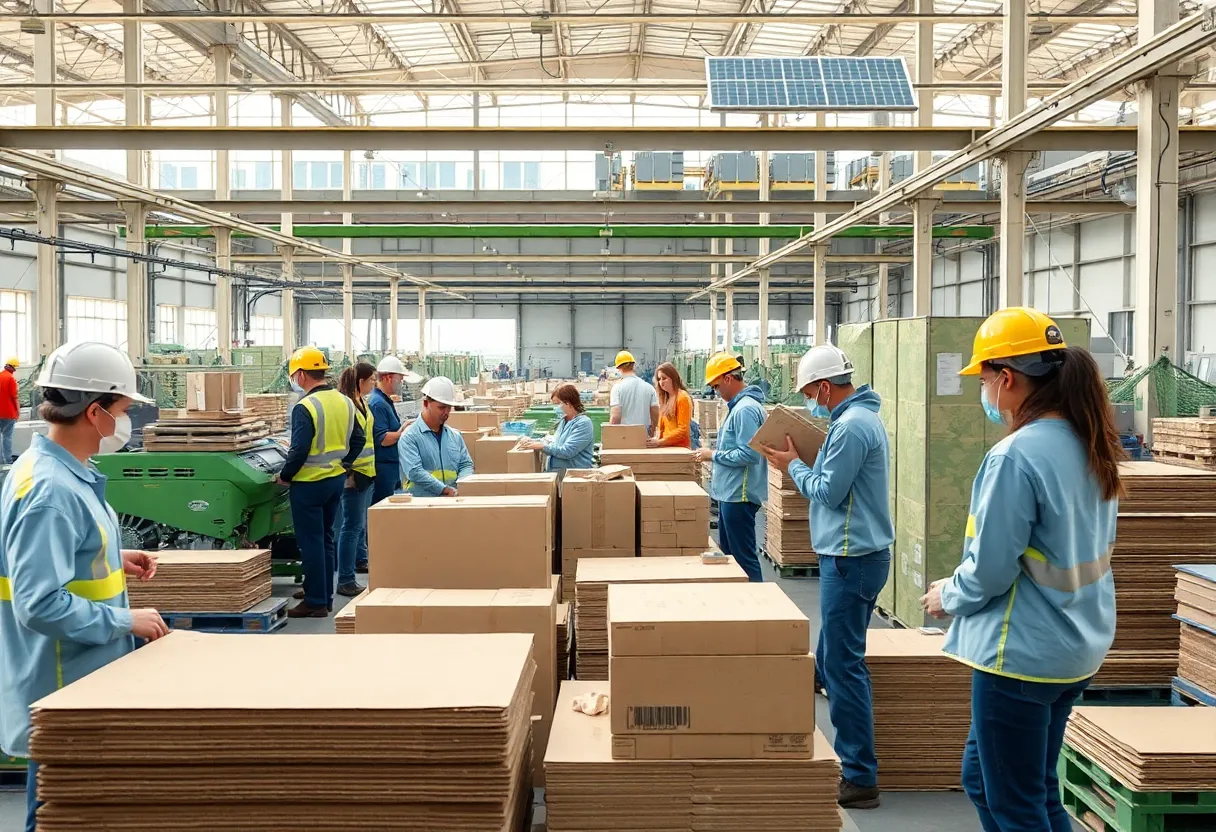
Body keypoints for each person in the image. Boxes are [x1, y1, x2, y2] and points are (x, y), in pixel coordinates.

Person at [919, 308, 1120, 832]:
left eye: (984, 380)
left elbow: (990, 570)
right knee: (1004, 785)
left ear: (1007, 379)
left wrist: (948, 595)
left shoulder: (1015, 456)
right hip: (1075, 642)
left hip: (1022, 655)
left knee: (1016, 804)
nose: (983, 393)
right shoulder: (1090, 443)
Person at [0, 341, 168, 832]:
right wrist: (124, 620)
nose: (127, 422)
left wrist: (111, 555)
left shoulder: (50, 472)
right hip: (61, 681)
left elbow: (42, 555)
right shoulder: (52, 492)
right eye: (122, 410)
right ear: (95, 413)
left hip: (79, 675)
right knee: (56, 813)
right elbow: (38, 602)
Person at [760, 344, 894, 810]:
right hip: (853, 554)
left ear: (822, 387)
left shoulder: (852, 428)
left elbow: (827, 492)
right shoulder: (858, 421)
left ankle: (859, 777)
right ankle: (817, 687)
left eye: (810, 393)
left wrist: (791, 464)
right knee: (835, 654)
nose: (811, 401)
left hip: (850, 556)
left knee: (844, 663)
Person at [278, 347, 363, 619]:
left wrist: (285, 475)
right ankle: (324, 597)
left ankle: (315, 601)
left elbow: (299, 449)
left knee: (311, 542)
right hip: (335, 481)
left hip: (308, 484)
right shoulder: (345, 401)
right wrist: (344, 463)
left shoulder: (306, 407)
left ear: (301, 375)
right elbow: (359, 439)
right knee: (325, 539)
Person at [694, 353, 766, 582]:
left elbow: (749, 454)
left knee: (742, 559)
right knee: (730, 557)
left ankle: (761, 608)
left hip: (739, 495)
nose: (716, 392)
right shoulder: (739, 407)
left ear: (728, 379)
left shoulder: (745, 410)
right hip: (730, 493)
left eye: (716, 386)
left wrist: (712, 455)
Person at [334, 362, 377, 598]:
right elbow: (345, 441)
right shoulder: (347, 406)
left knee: (359, 525)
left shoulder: (363, 403)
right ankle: (345, 579)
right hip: (354, 475)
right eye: (371, 380)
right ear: (360, 381)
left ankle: (360, 559)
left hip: (367, 472)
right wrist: (347, 472)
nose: (374, 384)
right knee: (350, 527)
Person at [398, 376, 474, 497]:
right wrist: (444, 490)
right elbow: (414, 472)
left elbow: (466, 464)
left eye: (449, 407)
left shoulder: (455, 436)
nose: (446, 412)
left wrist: (463, 485)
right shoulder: (409, 437)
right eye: (442, 407)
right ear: (426, 403)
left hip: (453, 502)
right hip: (421, 505)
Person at [520, 383, 594, 477]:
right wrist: (533, 441)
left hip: (574, 477)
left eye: (558, 403)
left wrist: (542, 447)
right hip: (558, 475)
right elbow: (555, 443)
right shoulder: (564, 421)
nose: (556, 408)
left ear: (568, 402)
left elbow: (568, 451)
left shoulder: (583, 423)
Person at [367, 356, 412, 506]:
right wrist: (404, 432)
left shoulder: (385, 401)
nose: (401, 383)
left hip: (391, 467)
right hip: (383, 469)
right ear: (388, 378)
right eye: (399, 379)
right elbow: (382, 439)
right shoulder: (377, 404)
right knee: (381, 511)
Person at [609, 350, 659, 434]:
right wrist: (653, 432)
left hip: (624, 437)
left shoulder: (617, 388)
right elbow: (655, 415)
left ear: (618, 368)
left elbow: (615, 417)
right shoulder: (649, 388)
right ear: (633, 365)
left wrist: (611, 436)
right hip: (644, 436)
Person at [648, 362, 693, 449]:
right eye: (659, 379)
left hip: (679, 449)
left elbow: (683, 430)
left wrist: (660, 442)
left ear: (673, 378)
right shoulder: (665, 399)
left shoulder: (682, 397)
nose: (661, 382)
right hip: (666, 448)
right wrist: (657, 440)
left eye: (664, 378)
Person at [0, 357, 18, 464]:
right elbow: (14, 397)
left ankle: (1, 461)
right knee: (7, 437)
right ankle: (8, 461)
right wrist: (17, 412)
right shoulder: (10, 379)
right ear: (12, 368)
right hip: (8, 413)